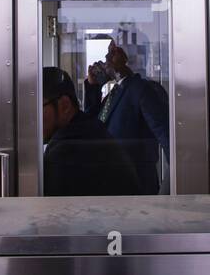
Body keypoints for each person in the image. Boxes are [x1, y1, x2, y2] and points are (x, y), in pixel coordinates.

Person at [84, 42, 171, 195]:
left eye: (113, 53)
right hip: (110, 184)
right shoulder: (114, 93)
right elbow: (91, 127)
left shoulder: (143, 89)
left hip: (137, 185)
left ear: (126, 59)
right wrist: (94, 86)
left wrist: (172, 184)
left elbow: (165, 136)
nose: (106, 59)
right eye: (107, 55)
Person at [41, 67, 141, 197]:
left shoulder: (66, 152)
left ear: (65, 105)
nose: (29, 120)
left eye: (36, 108)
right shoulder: (88, 131)